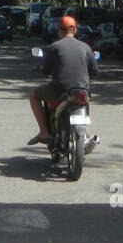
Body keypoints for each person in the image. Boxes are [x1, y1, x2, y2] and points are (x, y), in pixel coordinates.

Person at [28, 14, 100, 148]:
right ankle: (86, 133)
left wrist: (41, 69)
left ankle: (44, 132)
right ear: (75, 30)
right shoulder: (86, 47)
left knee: (33, 94)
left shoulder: (54, 47)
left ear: (60, 30)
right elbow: (95, 71)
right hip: (82, 91)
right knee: (84, 101)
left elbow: (45, 71)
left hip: (60, 91)